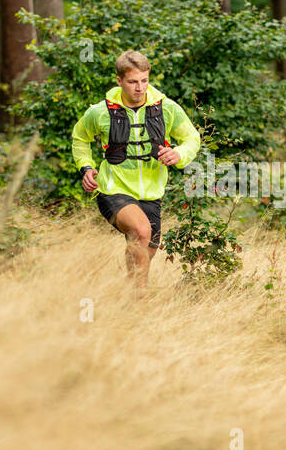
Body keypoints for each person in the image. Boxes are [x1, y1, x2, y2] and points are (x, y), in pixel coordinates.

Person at [70, 50, 201, 290]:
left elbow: (192, 138)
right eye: (132, 82)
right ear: (119, 81)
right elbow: (80, 138)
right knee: (141, 231)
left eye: (144, 80)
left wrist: (179, 154)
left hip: (152, 193)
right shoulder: (99, 112)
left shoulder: (167, 108)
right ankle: (140, 301)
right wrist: (86, 167)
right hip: (113, 188)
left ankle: (127, 297)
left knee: (147, 250)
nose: (139, 88)